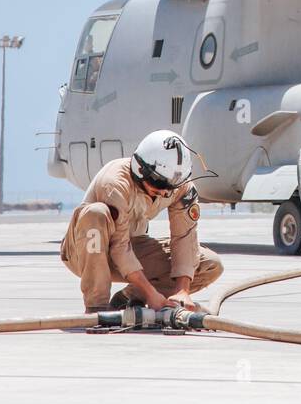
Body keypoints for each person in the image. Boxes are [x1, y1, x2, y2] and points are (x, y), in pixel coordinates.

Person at [60, 129, 223, 311]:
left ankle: (131, 296)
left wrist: (182, 290)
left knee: (209, 264)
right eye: (159, 185)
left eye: (170, 187)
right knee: (96, 213)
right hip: (87, 251)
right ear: (140, 169)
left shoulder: (179, 187)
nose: (164, 192)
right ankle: (97, 308)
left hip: (131, 247)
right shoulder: (115, 183)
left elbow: (184, 237)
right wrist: (151, 293)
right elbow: (119, 246)